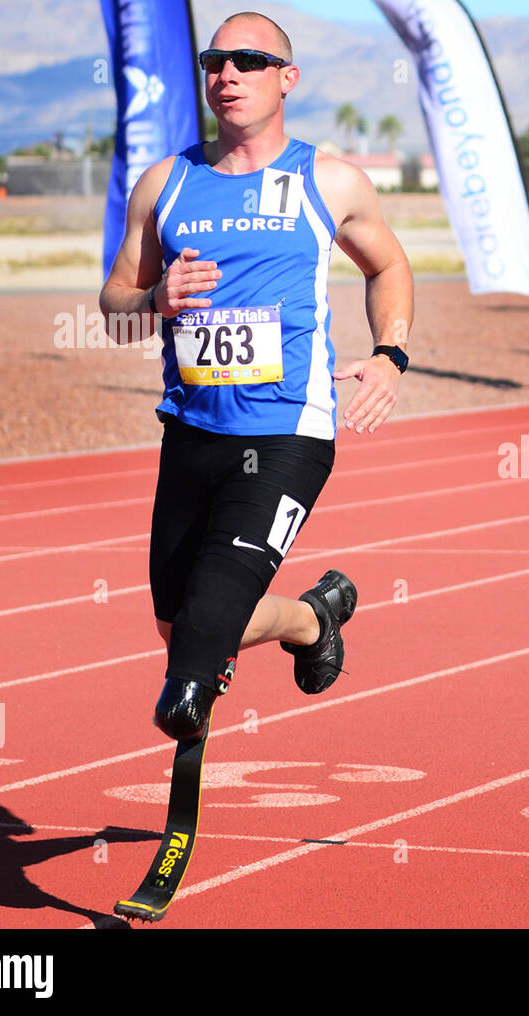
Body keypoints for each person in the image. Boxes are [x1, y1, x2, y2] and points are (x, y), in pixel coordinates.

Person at [99, 10, 413, 742]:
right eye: (215, 61)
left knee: (202, 640)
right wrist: (152, 300)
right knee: (178, 626)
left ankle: (194, 697)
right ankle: (312, 616)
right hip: (190, 429)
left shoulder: (327, 180)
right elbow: (115, 307)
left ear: (287, 79)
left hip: (284, 433)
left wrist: (390, 354)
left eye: (248, 60)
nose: (227, 74)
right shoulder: (167, 183)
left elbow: (389, 264)